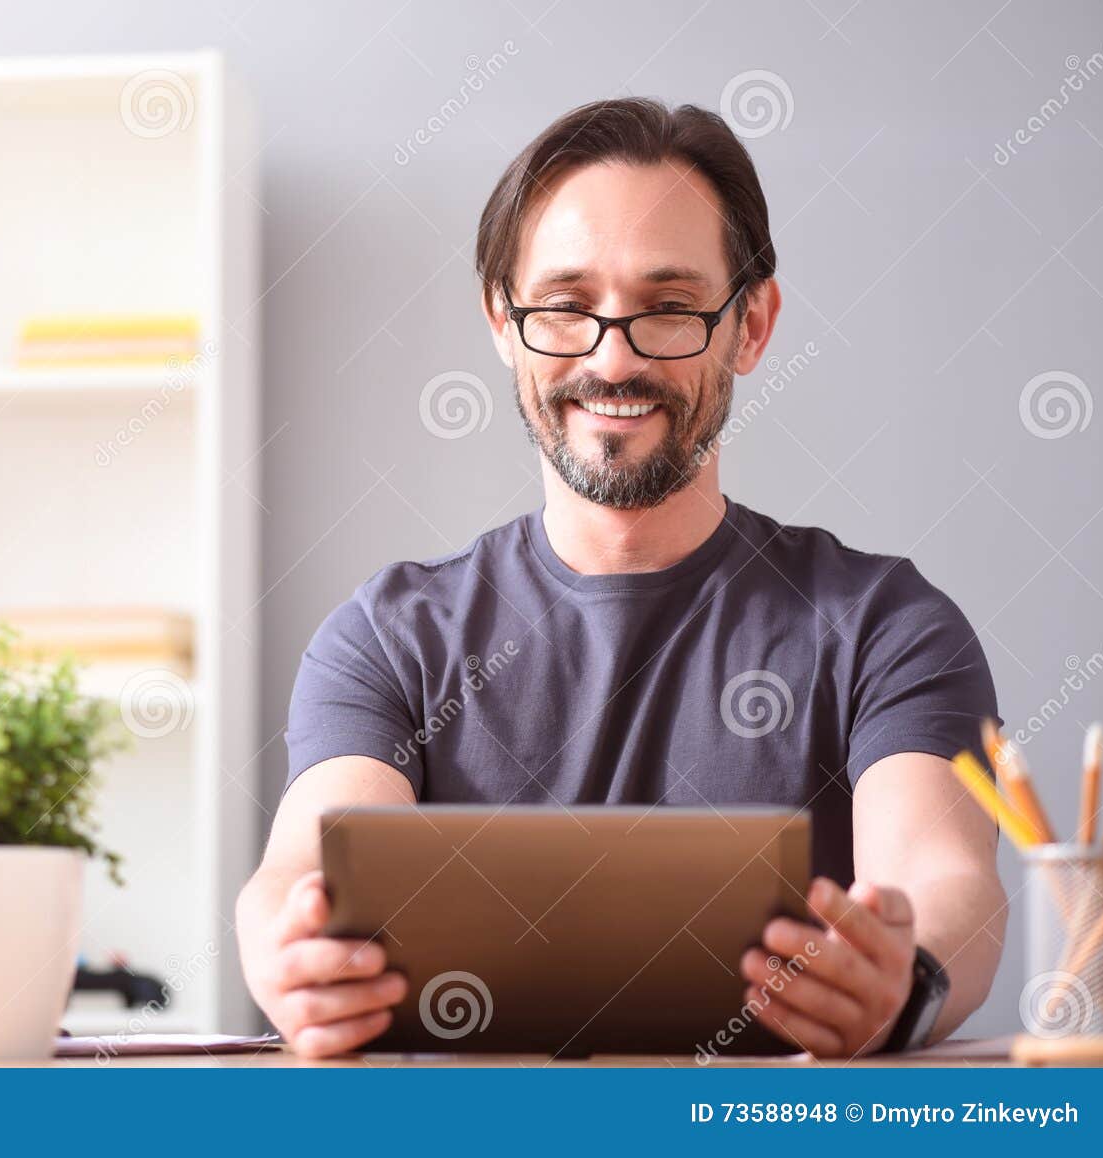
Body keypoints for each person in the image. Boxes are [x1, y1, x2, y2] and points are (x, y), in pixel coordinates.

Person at [236, 97, 1005, 1059]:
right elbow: (308, 868)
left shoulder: (886, 627)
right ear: (503, 323)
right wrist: (288, 951)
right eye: (565, 307)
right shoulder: (390, 639)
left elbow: (948, 885)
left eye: (671, 308)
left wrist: (905, 981)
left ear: (752, 326)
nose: (613, 357)